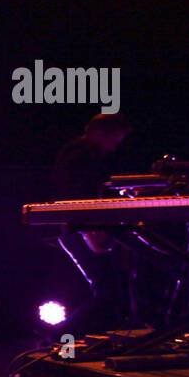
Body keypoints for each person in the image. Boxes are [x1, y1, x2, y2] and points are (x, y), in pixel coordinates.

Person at [53, 112, 134, 332]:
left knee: (108, 291)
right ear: (98, 133)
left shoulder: (77, 153)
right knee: (109, 292)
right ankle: (60, 336)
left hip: (79, 227)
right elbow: (81, 195)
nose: (114, 147)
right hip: (81, 228)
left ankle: (69, 337)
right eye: (114, 140)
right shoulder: (83, 154)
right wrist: (92, 230)